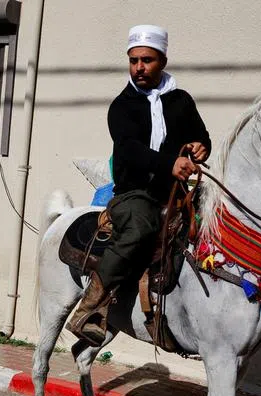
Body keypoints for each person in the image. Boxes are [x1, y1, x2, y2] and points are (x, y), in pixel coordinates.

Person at [67, 25, 211, 347]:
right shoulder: (122, 106)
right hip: (134, 193)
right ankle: (90, 309)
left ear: (163, 61)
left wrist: (201, 146)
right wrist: (169, 163)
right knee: (140, 228)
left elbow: (201, 135)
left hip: (175, 192)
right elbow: (129, 149)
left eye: (147, 60)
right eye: (133, 61)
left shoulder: (181, 101)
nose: (139, 67)